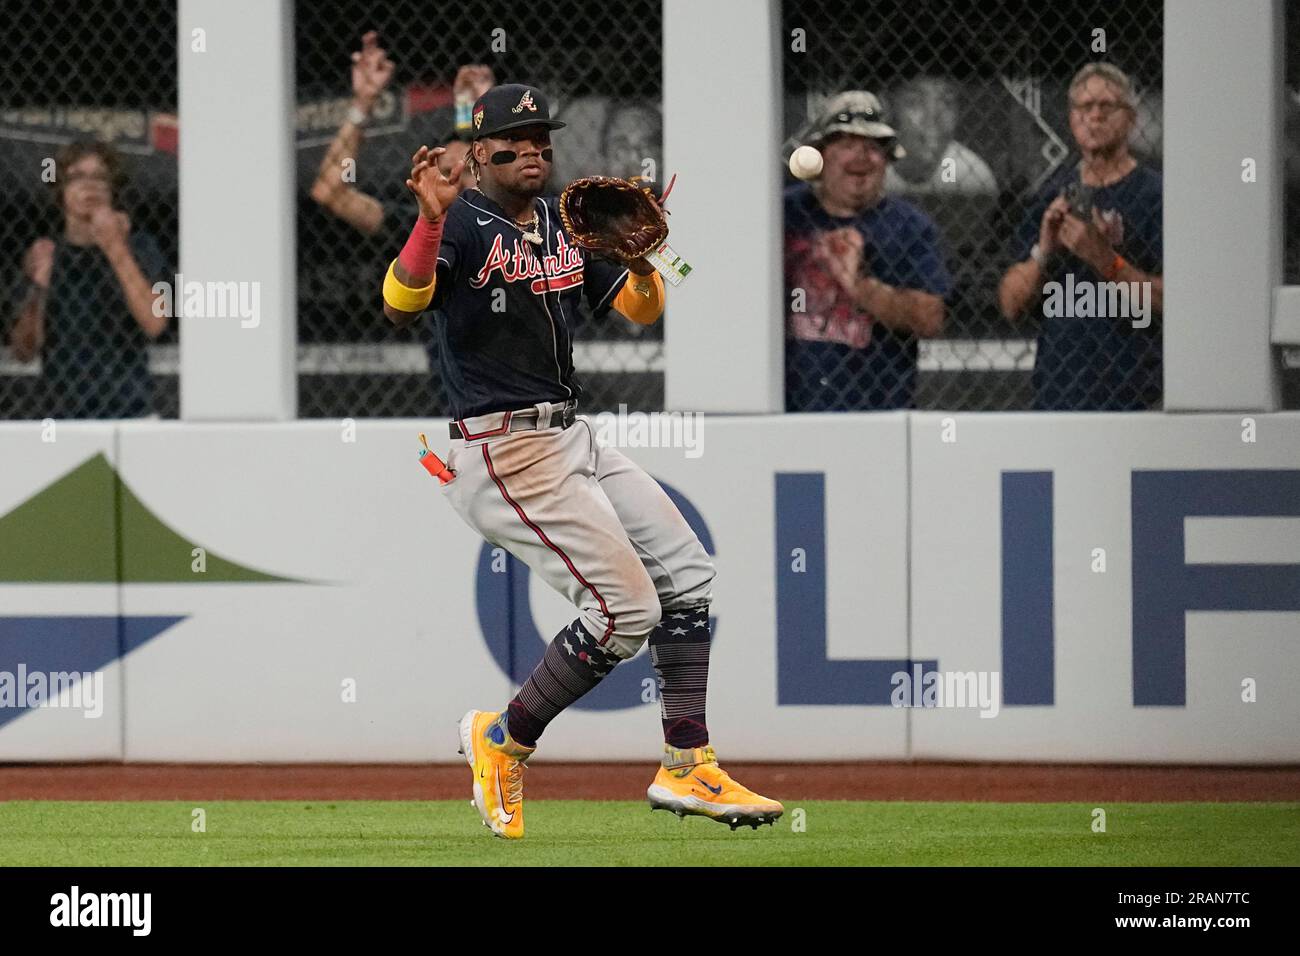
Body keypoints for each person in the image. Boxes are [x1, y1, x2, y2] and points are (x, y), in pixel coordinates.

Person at [381, 83, 782, 839]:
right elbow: (402, 301)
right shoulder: (462, 221)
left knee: (687, 572)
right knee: (626, 612)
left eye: (541, 138)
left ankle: (686, 763)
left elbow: (642, 312)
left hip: (572, 435)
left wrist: (641, 265)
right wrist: (430, 219)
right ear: (478, 152)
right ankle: (502, 740)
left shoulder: (562, 223)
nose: (531, 149)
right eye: (513, 139)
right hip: (503, 447)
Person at [997, 63, 1163, 410]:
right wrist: (1044, 250)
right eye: (1084, 107)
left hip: (1136, 401)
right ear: (1072, 120)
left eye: (1107, 106)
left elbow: (1172, 302)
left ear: (1130, 118)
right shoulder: (1050, 196)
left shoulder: (1155, 195)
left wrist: (1104, 259)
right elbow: (1011, 304)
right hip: (1058, 397)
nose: (1095, 115)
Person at [785, 91, 950, 411]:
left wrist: (859, 285)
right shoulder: (784, 213)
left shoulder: (909, 226)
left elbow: (931, 318)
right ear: (821, 157)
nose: (861, 157)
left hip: (878, 411)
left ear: (888, 159)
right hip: (787, 408)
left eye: (874, 147)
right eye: (846, 145)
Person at [8, 140, 167, 419]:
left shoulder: (139, 246)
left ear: (112, 187)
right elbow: (24, 351)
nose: (90, 185)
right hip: (62, 415)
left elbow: (155, 323)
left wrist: (115, 247)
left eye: (100, 177)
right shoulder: (46, 253)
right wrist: (39, 286)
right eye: (77, 177)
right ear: (61, 190)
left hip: (130, 411)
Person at [885, 76, 997, 196]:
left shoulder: (969, 173)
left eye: (947, 102)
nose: (933, 118)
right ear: (890, 109)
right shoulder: (872, 166)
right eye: (915, 102)